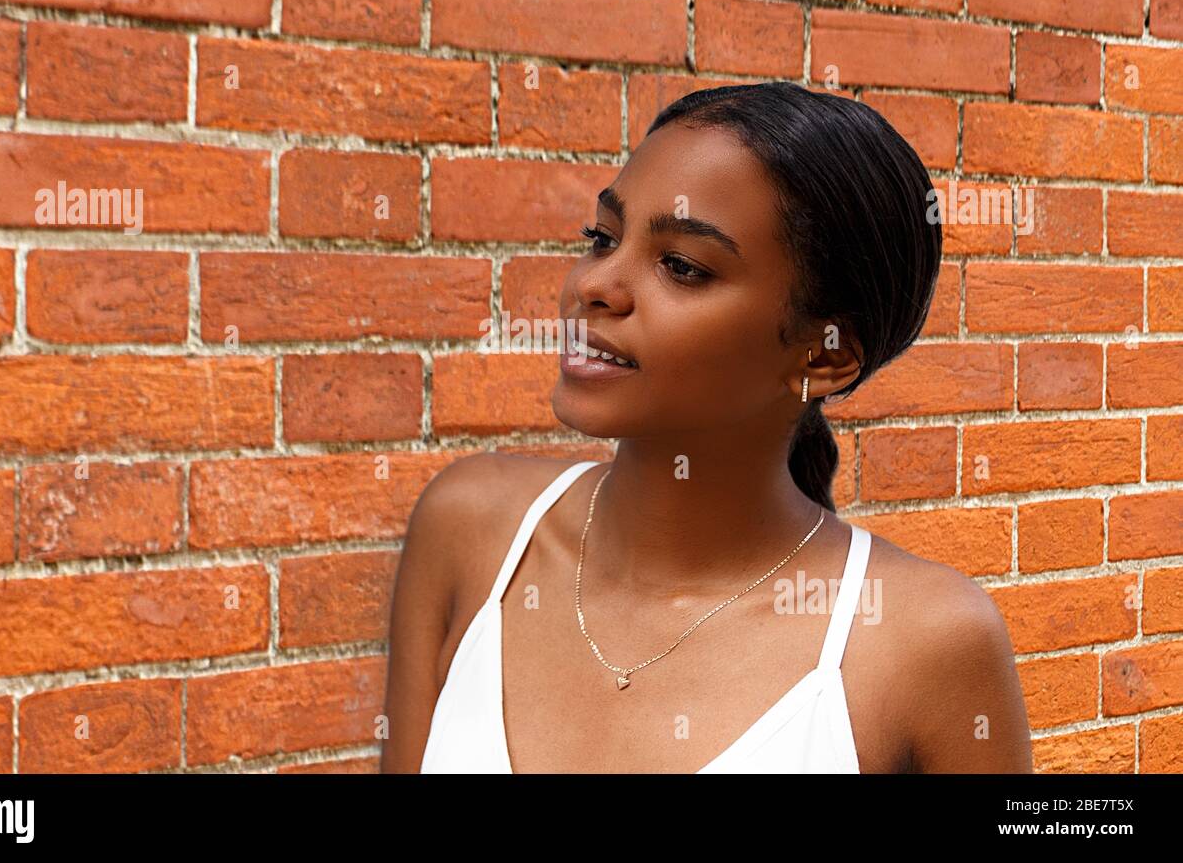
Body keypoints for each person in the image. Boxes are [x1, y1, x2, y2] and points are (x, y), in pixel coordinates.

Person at [380, 82, 1034, 773]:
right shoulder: (473, 530)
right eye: (603, 237)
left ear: (823, 355)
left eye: (682, 267)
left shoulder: (923, 640)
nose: (596, 284)